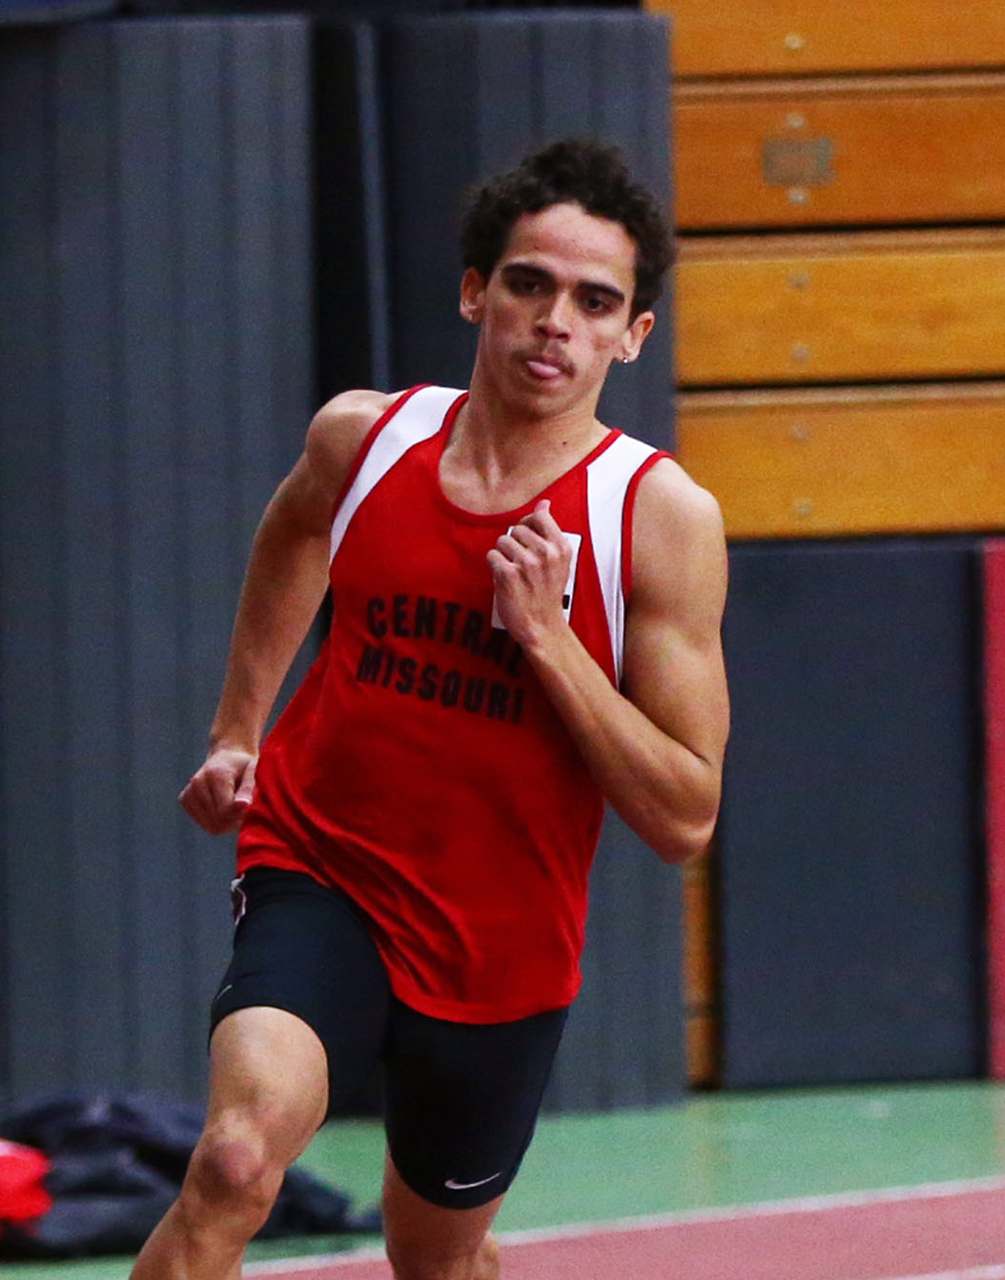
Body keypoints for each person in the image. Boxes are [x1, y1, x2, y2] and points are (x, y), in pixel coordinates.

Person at [132, 138, 729, 1280]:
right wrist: (237, 730)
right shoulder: (367, 438)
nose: (556, 319)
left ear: (631, 335)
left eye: (594, 300)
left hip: (498, 944)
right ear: (476, 292)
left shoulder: (655, 518)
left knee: (434, 1259)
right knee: (234, 1159)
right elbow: (295, 534)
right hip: (323, 865)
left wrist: (549, 642)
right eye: (529, 283)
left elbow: (685, 814)